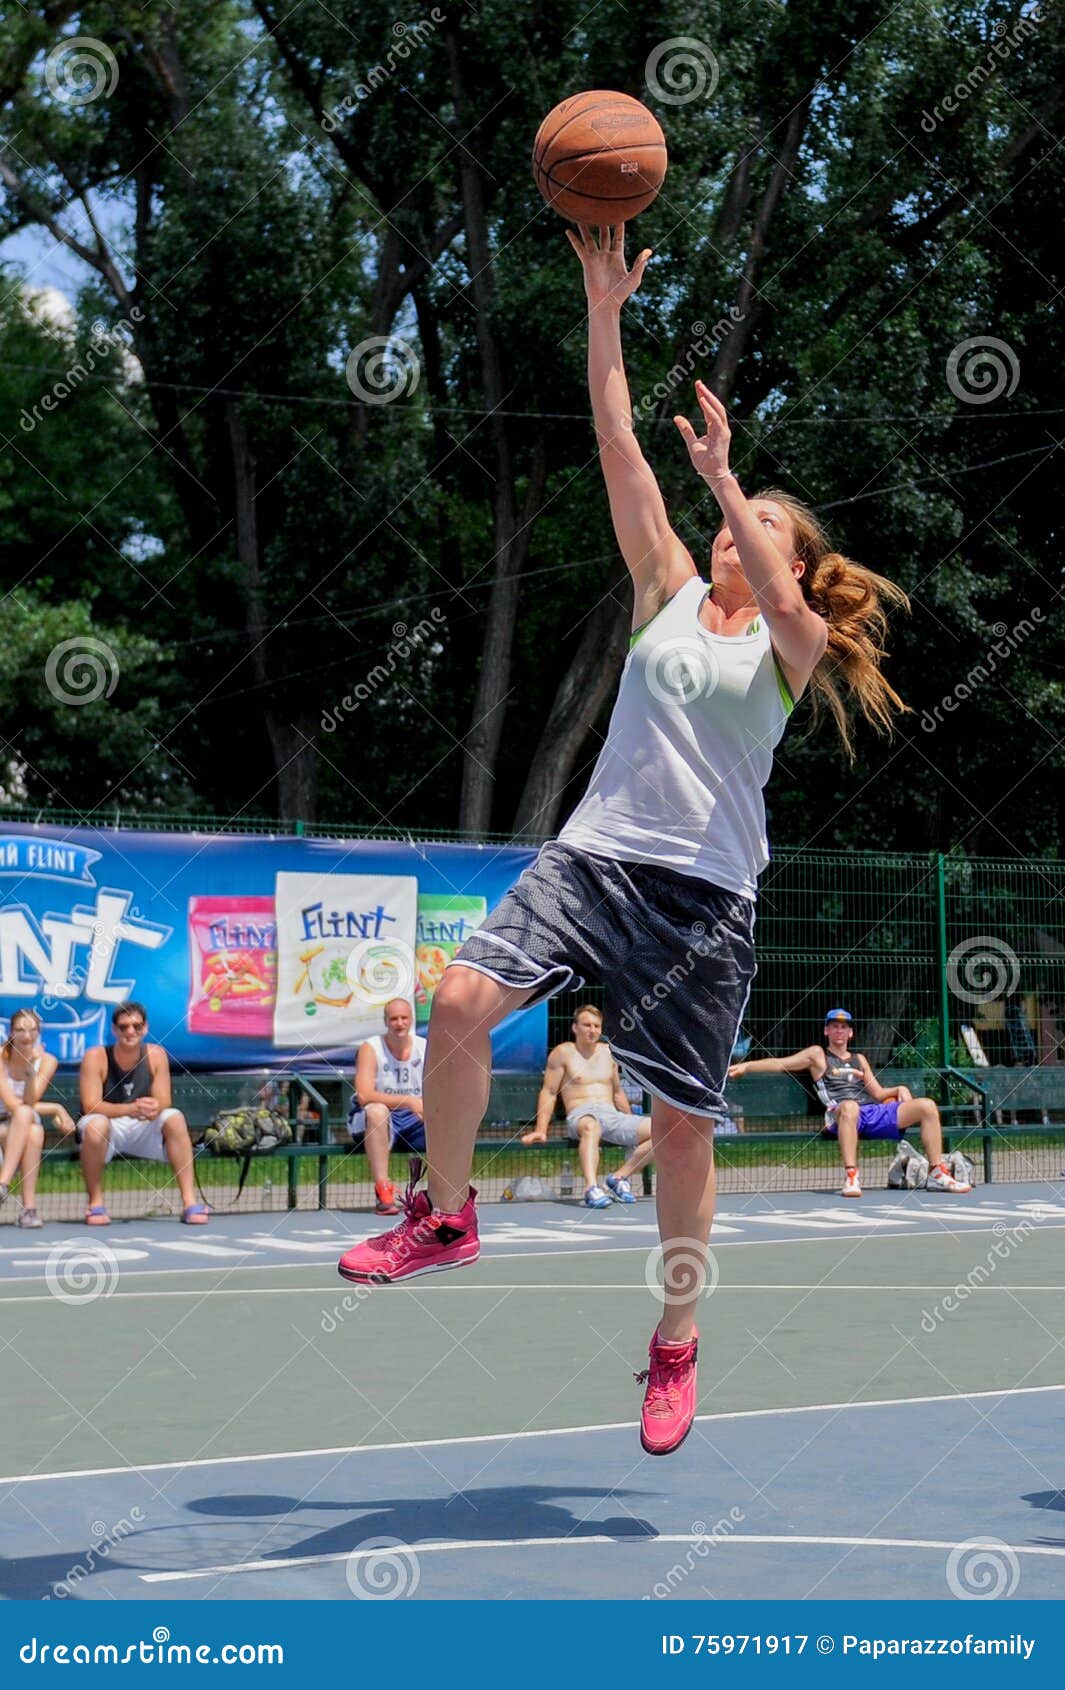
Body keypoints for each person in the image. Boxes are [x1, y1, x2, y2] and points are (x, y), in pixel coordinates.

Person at [339, 223, 907, 1457]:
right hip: (594, 856)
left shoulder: (789, 648)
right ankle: (446, 1216)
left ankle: (675, 1342)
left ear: (793, 562)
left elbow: (766, 566)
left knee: (687, 1130)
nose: (729, 530)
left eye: (760, 525)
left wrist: (727, 480)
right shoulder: (664, 592)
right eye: (728, 518)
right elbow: (614, 443)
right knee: (454, 1004)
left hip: (703, 904)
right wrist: (604, 309)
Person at [728, 1008, 971, 1197]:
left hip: (869, 1113)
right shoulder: (817, 1055)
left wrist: (900, 1088)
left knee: (927, 1105)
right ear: (826, 1031)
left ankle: (937, 1173)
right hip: (839, 1114)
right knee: (850, 1107)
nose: (839, 1031)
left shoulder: (859, 1059)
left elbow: (878, 1093)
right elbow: (782, 1064)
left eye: (844, 1027)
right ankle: (851, 1176)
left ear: (850, 1033)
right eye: (834, 1026)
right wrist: (747, 1066)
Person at [77, 1001, 207, 1225]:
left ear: (145, 1028)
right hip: (108, 1126)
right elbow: (91, 1105)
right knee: (95, 1124)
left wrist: (154, 1107)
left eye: (136, 1026)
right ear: (115, 1029)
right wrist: (131, 1108)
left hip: (143, 1126)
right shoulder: (95, 1056)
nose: (130, 1031)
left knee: (175, 1118)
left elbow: (164, 1100)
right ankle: (95, 1204)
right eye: (124, 1026)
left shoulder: (156, 1054)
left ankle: (189, 1203)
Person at [520, 1004, 654, 1206]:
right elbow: (549, 1092)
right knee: (592, 1126)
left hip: (611, 1115)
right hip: (581, 1115)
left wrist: (629, 1120)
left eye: (596, 1026)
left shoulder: (609, 1053)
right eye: (587, 1025)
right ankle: (592, 1188)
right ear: (575, 1028)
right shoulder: (563, 1052)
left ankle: (619, 1178)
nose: (592, 1030)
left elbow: (617, 1093)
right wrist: (541, 1129)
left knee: (663, 1130)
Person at [347, 998, 426, 1215]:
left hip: (412, 1118)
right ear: (386, 1022)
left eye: (404, 1018)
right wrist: (408, 1101)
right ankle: (383, 1190)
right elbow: (364, 1095)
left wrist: (429, 1109)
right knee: (377, 1111)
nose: (399, 1023)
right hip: (373, 1120)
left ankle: (446, 1193)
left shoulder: (424, 1047)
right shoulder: (371, 1048)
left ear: (411, 1020)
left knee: (448, 1119)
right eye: (394, 1019)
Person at [0, 1008, 76, 1227]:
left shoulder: (47, 1061)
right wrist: (56, 1108)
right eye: (20, 1030)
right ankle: (10, 1189)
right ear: (11, 1032)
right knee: (26, 1118)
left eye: (32, 1030)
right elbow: (14, 1104)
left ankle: (25, 1207)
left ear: (39, 1033)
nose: (27, 1036)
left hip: (21, 1125)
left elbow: (30, 1101)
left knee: (34, 1131)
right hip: (4, 1124)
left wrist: (31, 1070)